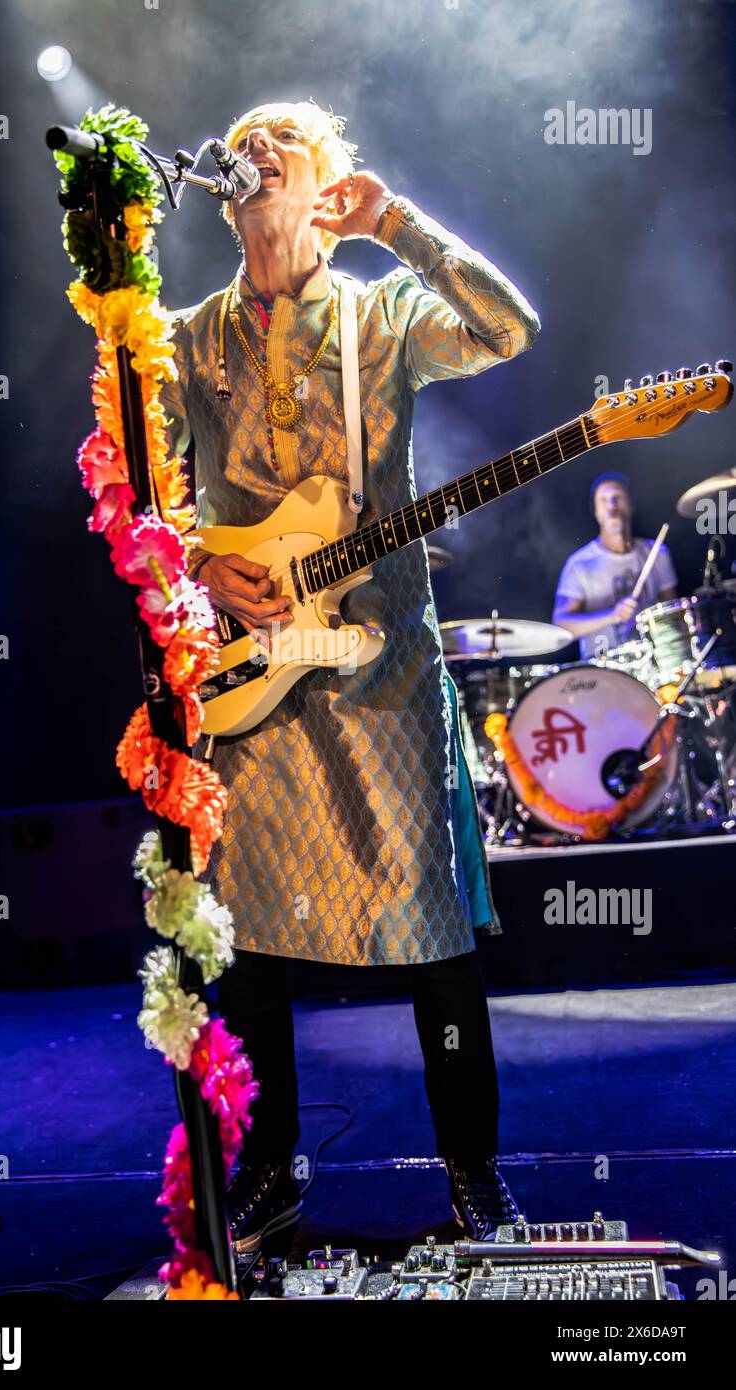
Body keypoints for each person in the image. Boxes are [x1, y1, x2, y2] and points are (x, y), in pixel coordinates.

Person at [156, 100, 541, 1252]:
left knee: (433, 942)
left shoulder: (381, 316)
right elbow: (145, 503)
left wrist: (401, 227)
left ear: (328, 182)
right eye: (244, 138)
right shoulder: (181, 338)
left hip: (382, 672)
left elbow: (509, 330)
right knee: (254, 948)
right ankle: (271, 1166)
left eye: (284, 138)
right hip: (251, 683)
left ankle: (472, 1171)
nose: (254, 145)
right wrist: (204, 575)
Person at [553, 473, 678, 659]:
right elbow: (562, 625)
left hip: (655, 662)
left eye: (617, 497)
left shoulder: (657, 552)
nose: (611, 505)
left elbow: (673, 612)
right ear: (596, 512)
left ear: (631, 504)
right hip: (603, 669)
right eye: (603, 500)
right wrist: (613, 615)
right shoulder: (580, 564)